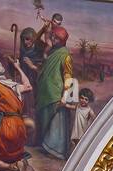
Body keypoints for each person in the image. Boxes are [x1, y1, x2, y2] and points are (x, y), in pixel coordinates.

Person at [34, 14, 75, 159]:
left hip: (56, 93)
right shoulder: (52, 50)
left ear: (62, 40)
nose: (53, 39)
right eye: (53, 37)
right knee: (45, 119)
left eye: (56, 38)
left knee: (56, 122)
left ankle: (55, 149)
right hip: (46, 92)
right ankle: (45, 146)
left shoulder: (65, 55)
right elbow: (37, 42)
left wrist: (64, 96)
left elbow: (68, 77)